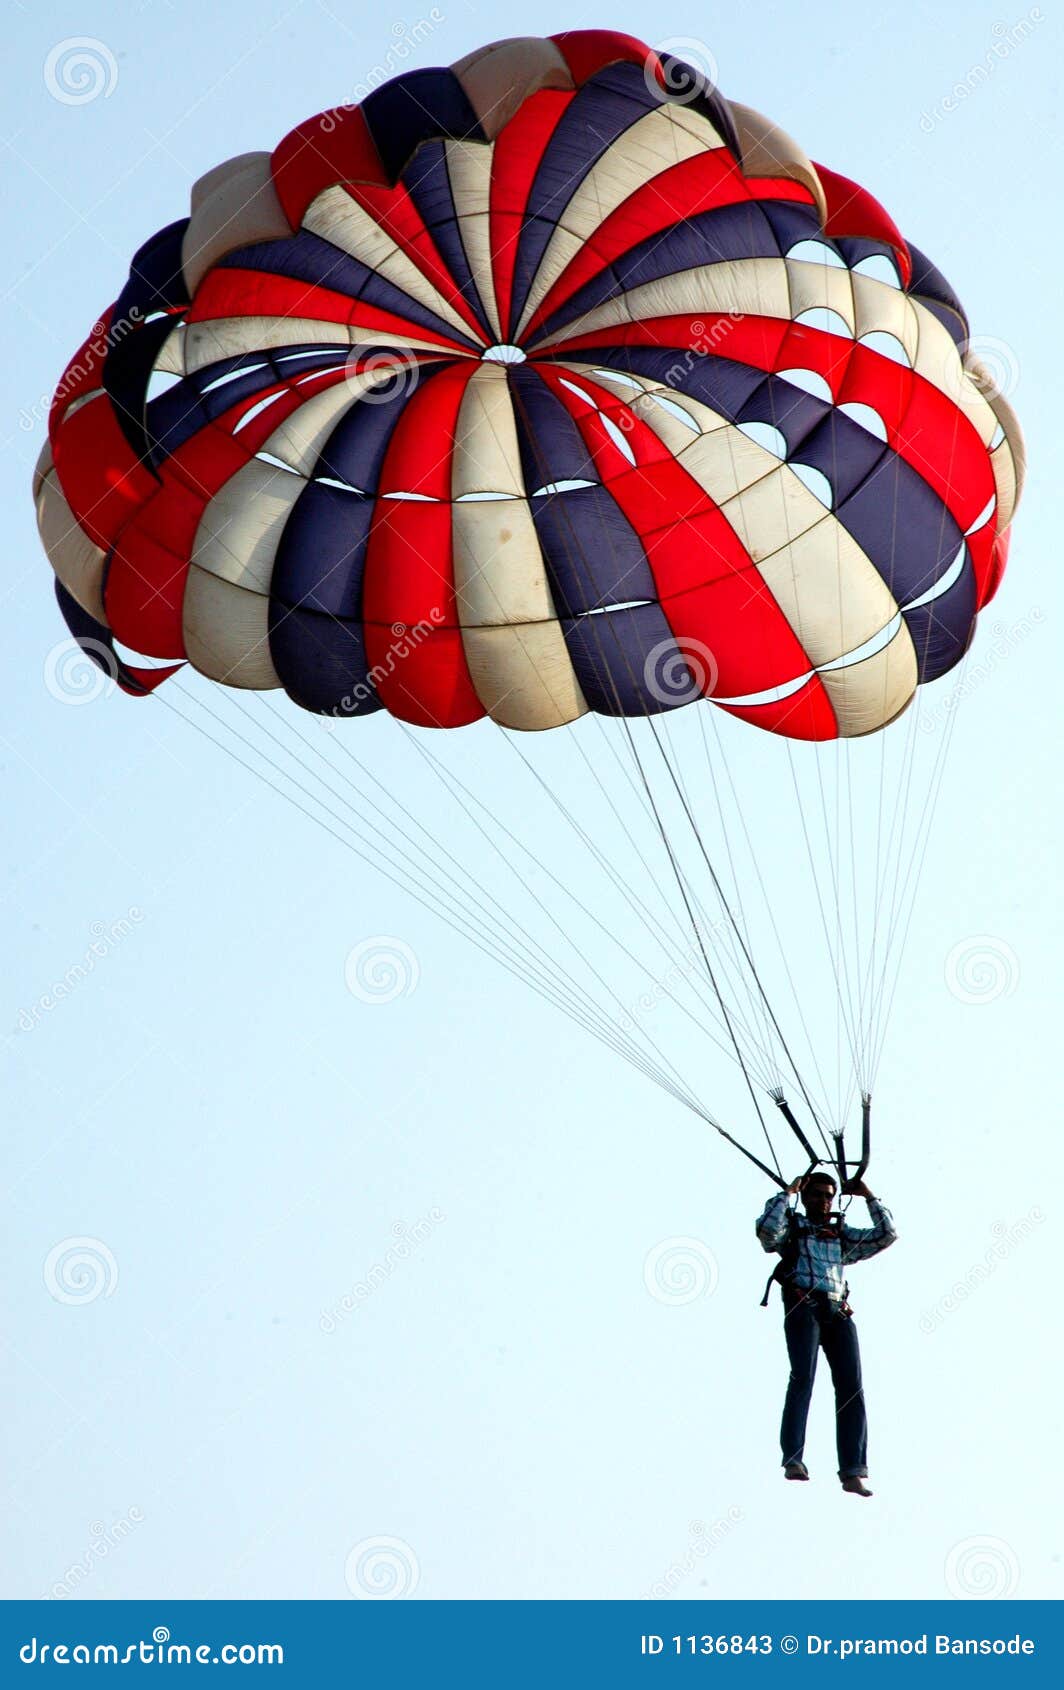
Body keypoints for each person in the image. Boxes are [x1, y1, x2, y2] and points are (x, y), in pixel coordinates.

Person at [756, 1171, 897, 1497]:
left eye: (828, 1195)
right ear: (806, 1198)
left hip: (837, 1312)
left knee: (852, 1388)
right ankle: (793, 1458)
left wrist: (868, 1196)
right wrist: (787, 1193)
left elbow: (886, 1236)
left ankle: (852, 1471)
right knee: (803, 1377)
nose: (823, 1201)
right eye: (816, 1194)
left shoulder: (840, 1235)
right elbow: (766, 1233)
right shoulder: (793, 1229)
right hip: (804, 1307)